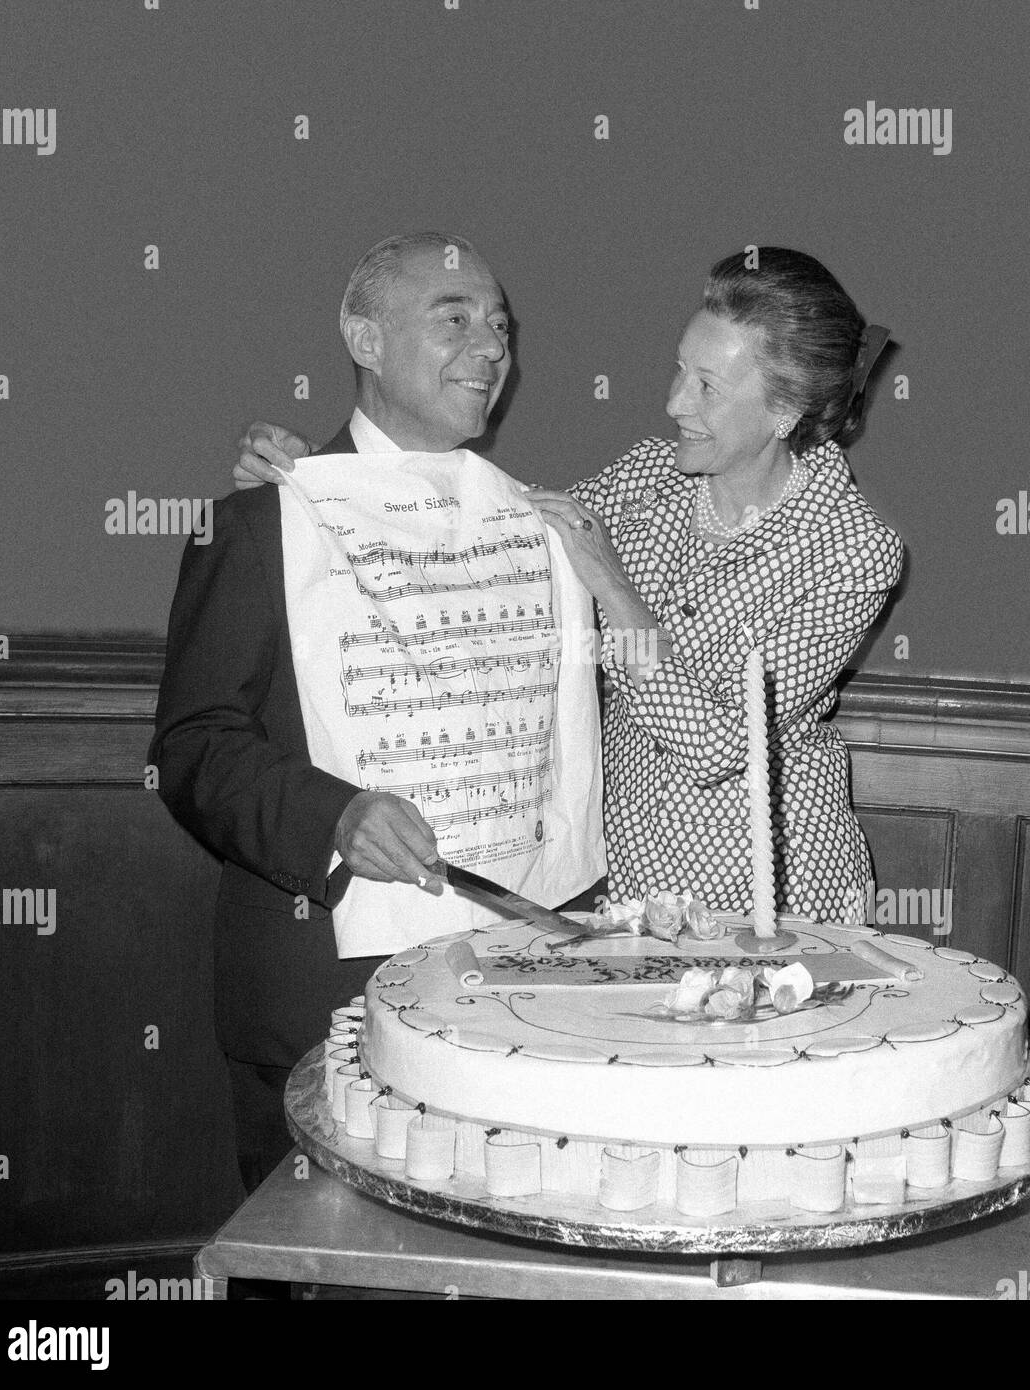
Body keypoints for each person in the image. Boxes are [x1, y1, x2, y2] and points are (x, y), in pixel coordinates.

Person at [236, 246, 903, 924]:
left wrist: (612, 586)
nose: (675, 402)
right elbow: (492, 541)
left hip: (771, 899)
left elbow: (719, 747)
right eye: (679, 370)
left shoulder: (853, 550)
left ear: (785, 412)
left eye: (708, 387)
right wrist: (321, 486)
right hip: (632, 887)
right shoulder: (653, 474)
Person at [153, 231, 599, 1192]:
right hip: (323, 988)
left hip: (506, 986)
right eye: (455, 319)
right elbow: (193, 749)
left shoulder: (545, 528)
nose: (491, 348)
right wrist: (333, 815)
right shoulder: (261, 520)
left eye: (501, 327)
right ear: (362, 336)